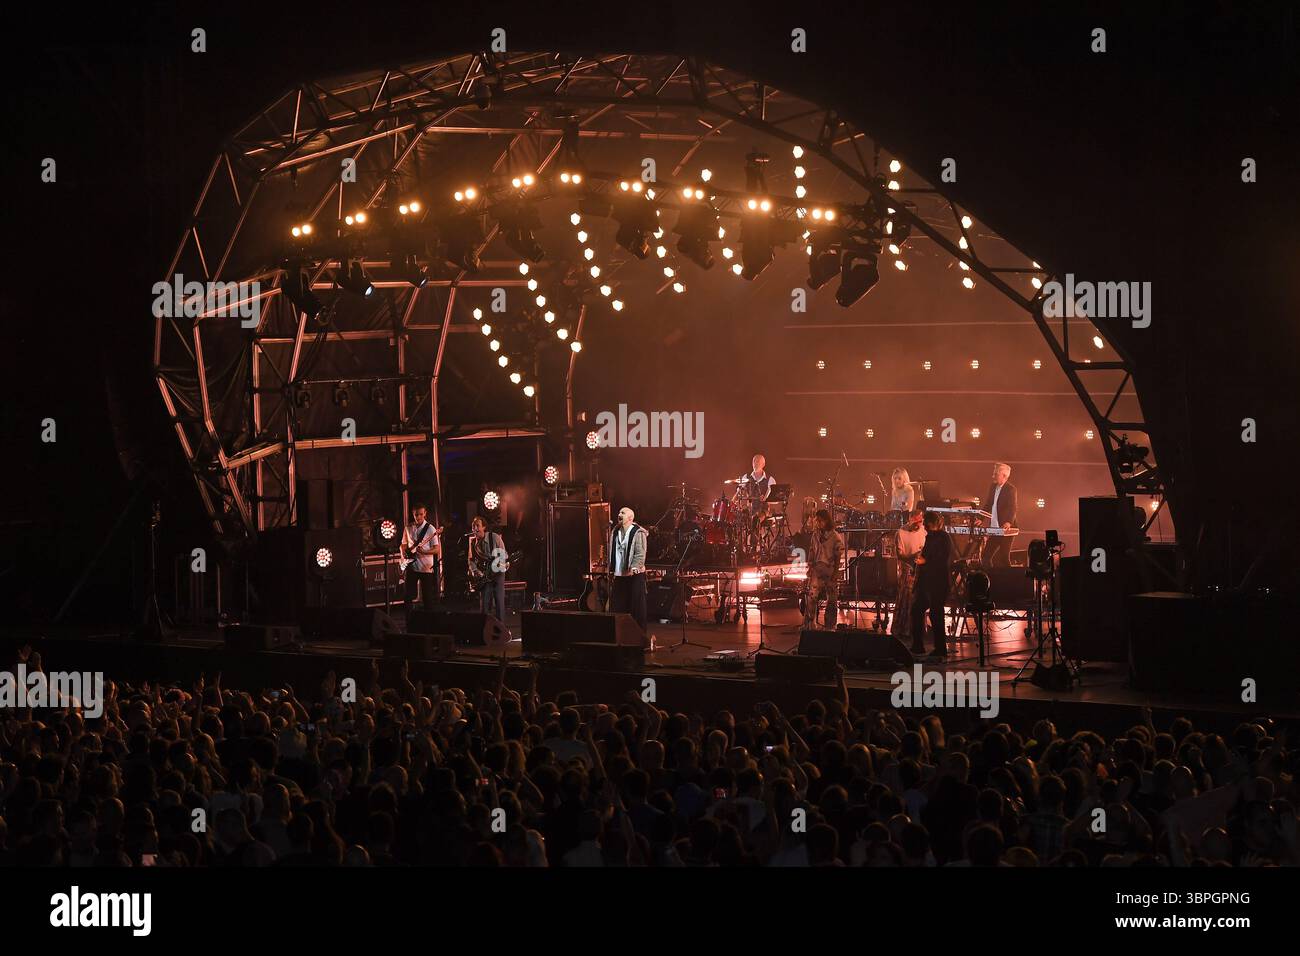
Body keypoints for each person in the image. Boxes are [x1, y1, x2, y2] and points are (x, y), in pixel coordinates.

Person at [910, 511, 952, 661]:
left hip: (938, 581)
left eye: (927, 523)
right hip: (927, 581)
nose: (925, 526)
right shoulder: (930, 537)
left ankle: (940, 649)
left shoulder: (943, 537)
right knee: (917, 609)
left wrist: (924, 561)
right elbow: (926, 556)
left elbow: (942, 559)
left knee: (936, 613)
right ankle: (917, 645)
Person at [608, 506, 649, 635]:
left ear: (630, 518)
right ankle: (619, 635)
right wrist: (611, 568)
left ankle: (639, 636)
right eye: (619, 512)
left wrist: (635, 566)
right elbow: (612, 552)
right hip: (619, 575)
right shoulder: (615, 531)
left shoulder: (637, 532)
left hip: (634, 575)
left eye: (623, 513)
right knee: (617, 606)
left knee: (636, 607)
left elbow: (640, 552)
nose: (619, 514)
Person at [804, 509, 844, 630]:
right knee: (811, 597)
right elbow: (811, 551)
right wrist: (810, 567)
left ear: (826, 521)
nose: (818, 523)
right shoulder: (815, 535)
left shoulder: (835, 536)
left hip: (830, 569)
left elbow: (838, 555)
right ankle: (810, 624)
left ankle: (830, 625)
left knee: (831, 599)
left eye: (820, 521)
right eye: (817, 521)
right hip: (817, 569)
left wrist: (836, 572)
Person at [401, 503, 441, 616]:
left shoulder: (431, 529)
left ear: (425, 514)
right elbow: (403, 544)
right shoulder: (408, 527)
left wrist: (424, 552)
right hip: (411, 566)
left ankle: (429, 623)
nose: (418, 517)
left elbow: (436, 549)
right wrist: (403, 553)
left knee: (427, 598)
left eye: (420, 514)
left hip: (426, 568)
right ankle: (409, 620)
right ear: (413, 514)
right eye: (416, 514)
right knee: (407, 596)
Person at [892, 507, 926, 638]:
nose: (918, 525)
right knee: (905, 600)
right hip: (907, 570)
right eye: (916, 523)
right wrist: (913, 556)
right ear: (910, 520)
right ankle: (903, 628)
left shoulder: (924, 531)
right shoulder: (901, 532)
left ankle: (917, 629)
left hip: (921, 570)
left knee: (919, 601)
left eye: (920, 522)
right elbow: (900, 555)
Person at [468, 516, 508, 621]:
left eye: (478, 526)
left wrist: (499, 565)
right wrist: (476, 571)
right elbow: (471, 560)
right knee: (484, 605)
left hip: (497, 573)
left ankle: (501, 629)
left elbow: (503, 556)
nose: (475, 528)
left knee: (499, 602)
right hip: (484, 576)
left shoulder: (494, 537)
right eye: (473, 526)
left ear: (484, 527)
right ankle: (485, 628)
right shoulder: (473, 543)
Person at [983, 462, 1018, 568]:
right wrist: (980, 518)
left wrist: (1008, 522)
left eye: (996, 474)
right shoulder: (993, 487)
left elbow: (1013, 507)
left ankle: (1009, 581)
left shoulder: (1011, 489)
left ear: (1004, 476)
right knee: (986, 557)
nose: (993, 476)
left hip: (1006, 529)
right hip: (995, 528)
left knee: (1003, 558)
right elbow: (988, 504)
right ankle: (990, 580)